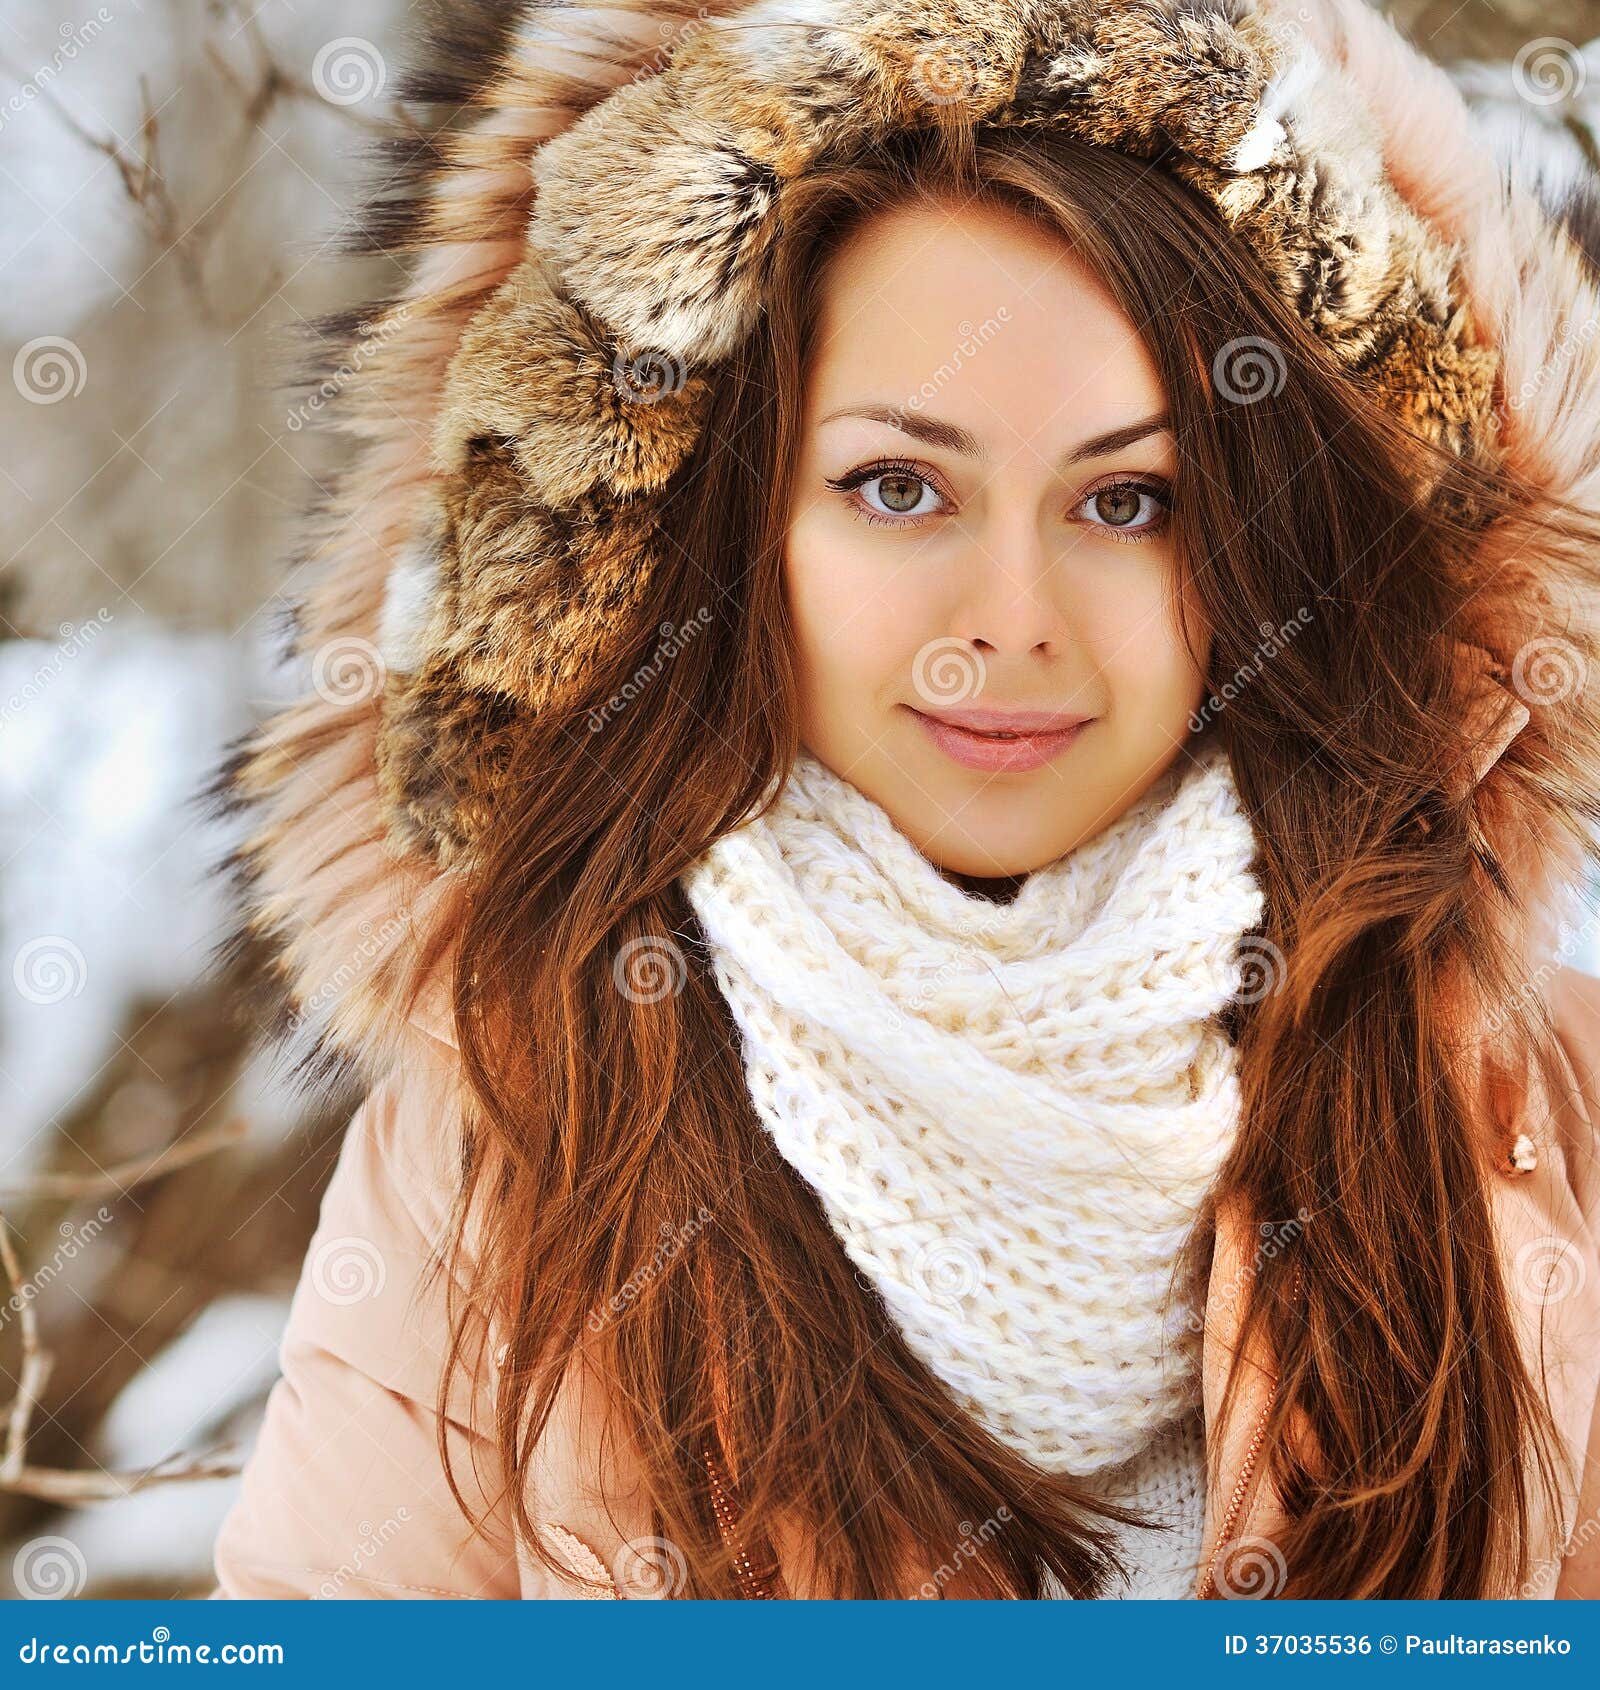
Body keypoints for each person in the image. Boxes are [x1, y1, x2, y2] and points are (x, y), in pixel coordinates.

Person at [208, 0, 1600, 1599]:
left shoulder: (1552, 1114)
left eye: (1130, 499)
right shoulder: (498, 1153)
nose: (1012, 617)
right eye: (898, 486)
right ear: (723, 528)